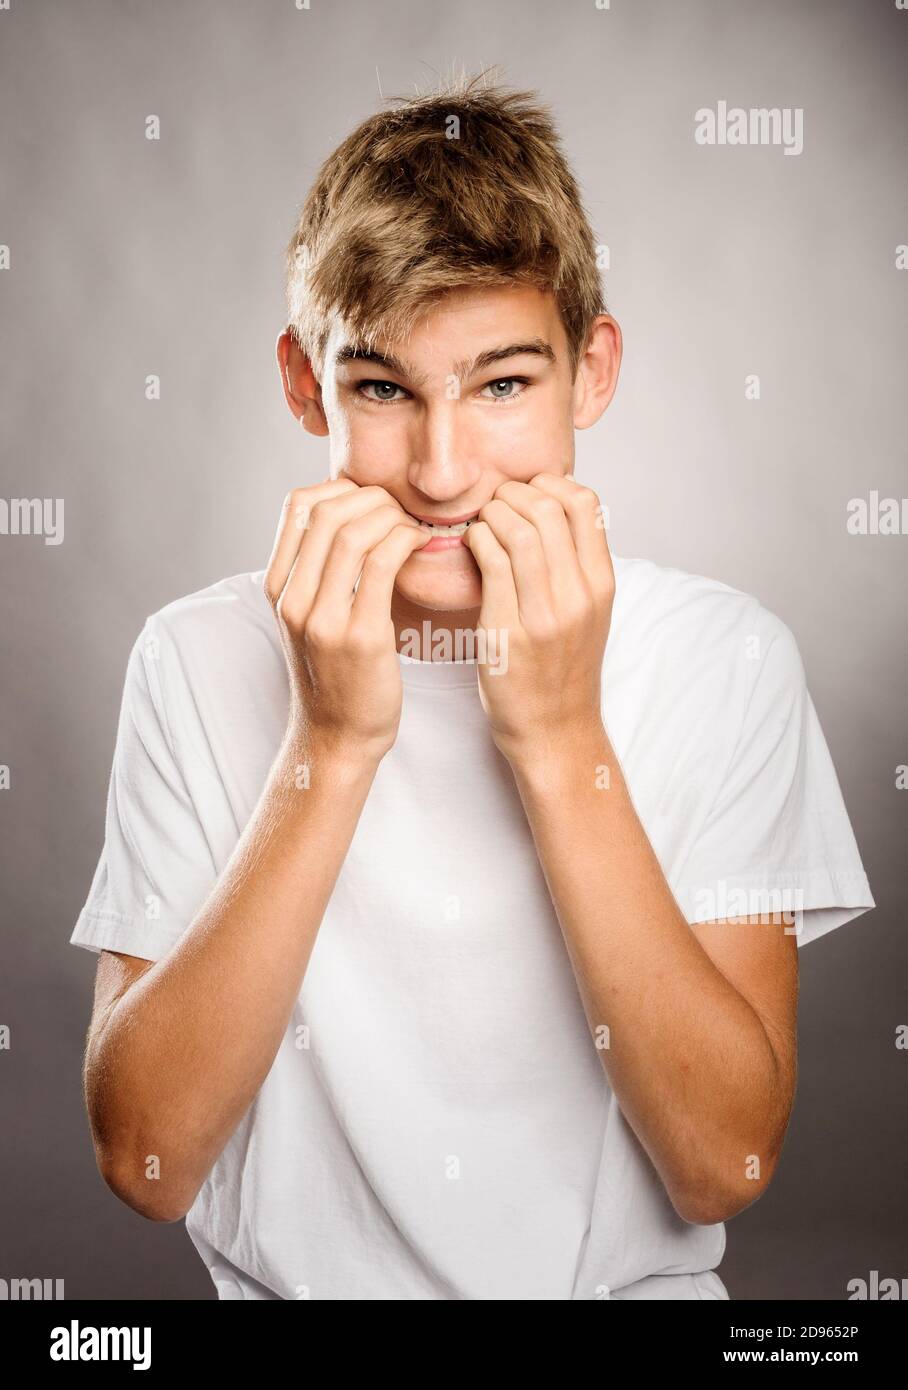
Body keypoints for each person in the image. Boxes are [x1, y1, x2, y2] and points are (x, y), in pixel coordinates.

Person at [70, 72, 875, 1301]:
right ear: (304, 384)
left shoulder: (725, 658)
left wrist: (556, 736)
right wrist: (330, 745)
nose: (441, 474)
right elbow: (147, 1158)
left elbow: (725, 1163)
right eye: (383, 389)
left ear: (589, 373)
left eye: (502, 384)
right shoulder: (192, 656)